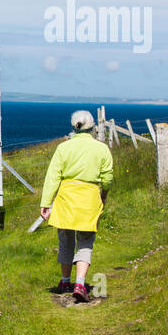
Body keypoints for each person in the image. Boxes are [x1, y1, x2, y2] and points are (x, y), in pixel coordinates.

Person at [39, 110, 114, 302]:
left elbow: (52, 176)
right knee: (85, 241)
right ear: (92, 127)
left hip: (66, 197)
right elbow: (107, 178)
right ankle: (80, 284)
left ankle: (65, 281)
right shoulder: (101, 149)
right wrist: (103, 195)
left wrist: (45, 203)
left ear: (74, 126)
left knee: (65, 240)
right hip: (89, 198)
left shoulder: (63, 148)